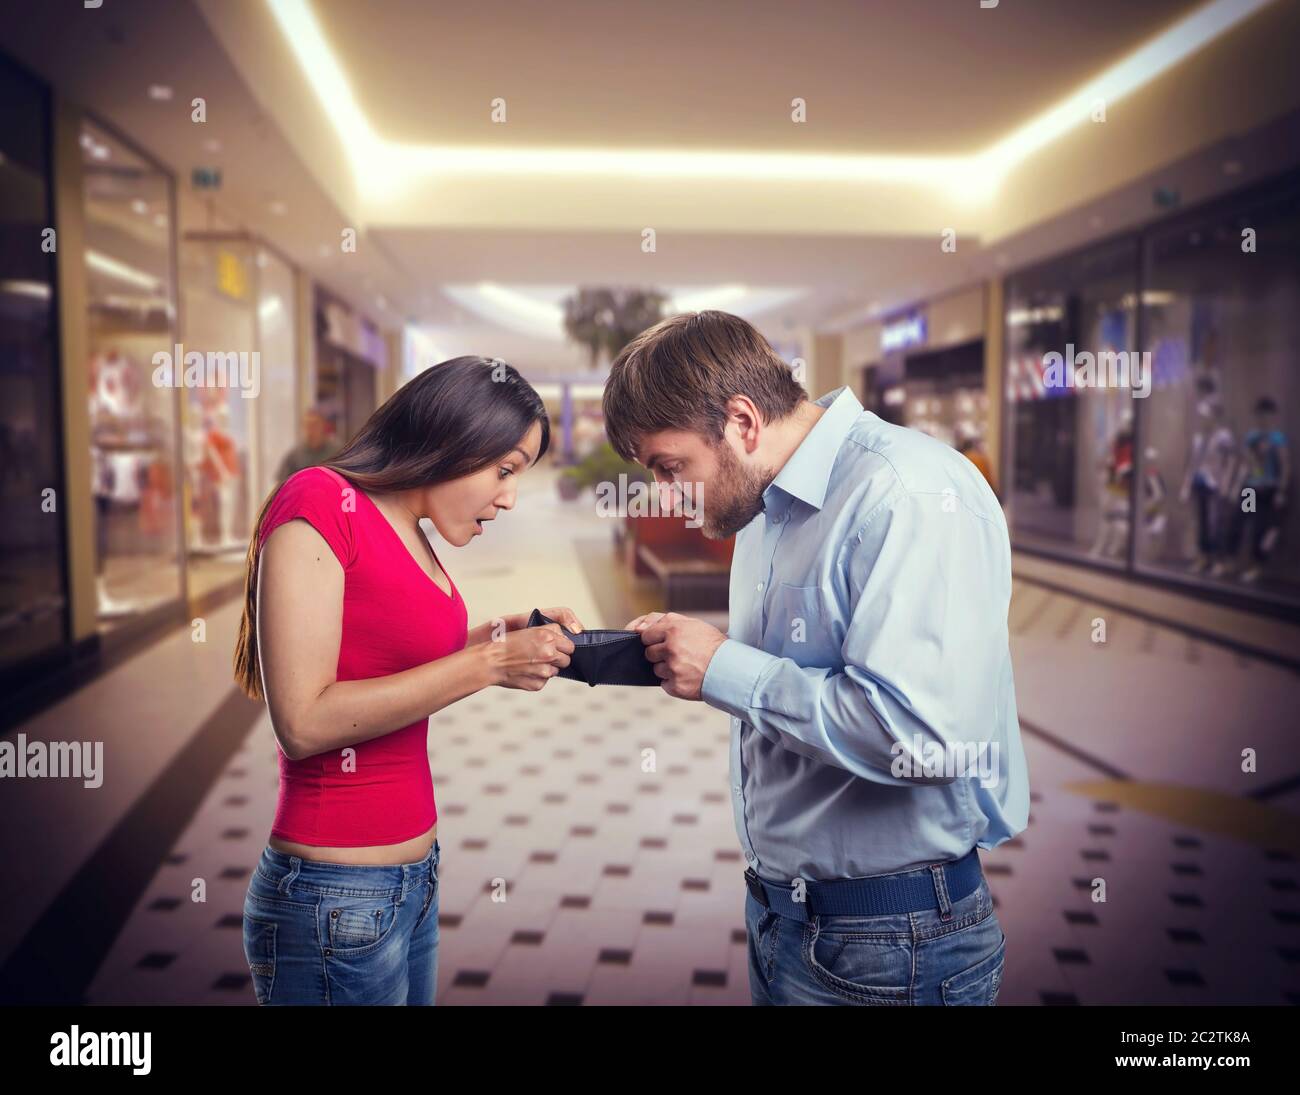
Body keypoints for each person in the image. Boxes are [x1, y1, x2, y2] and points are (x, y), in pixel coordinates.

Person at [603, 311, 1028, 1006]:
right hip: (788, 922)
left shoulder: (905, 492)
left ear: (742, 421)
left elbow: (927, 736)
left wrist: (724, 669)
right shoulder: (762, 509)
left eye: (671, 468)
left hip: (896, 945)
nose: (669, 497)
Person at [232, 356, 584, 1005]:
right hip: (331, 896)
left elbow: (396, 656)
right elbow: (304, 721)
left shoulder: (410, 527)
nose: (508, 497)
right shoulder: (320, 500)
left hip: (409, 883)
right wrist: (488, 664)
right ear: (453, 436)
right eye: (504, 469)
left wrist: (501, 636)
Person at [275, 404, 338, 481]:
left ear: (323, 426)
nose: (311, 430)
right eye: (307, 425)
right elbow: (281, 483)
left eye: (314, 425)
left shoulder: (336, 452)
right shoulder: (294, 455)